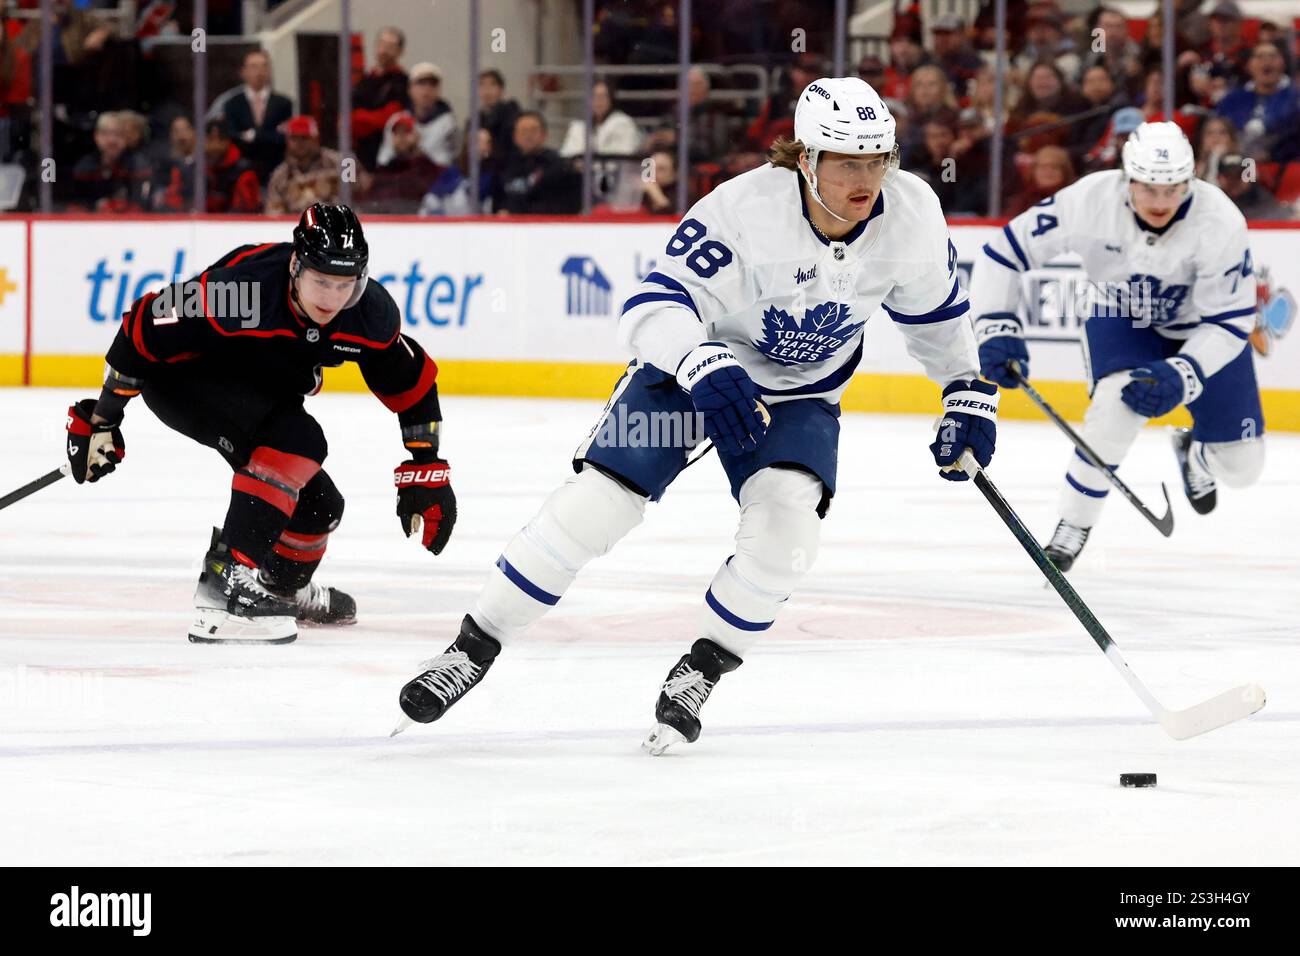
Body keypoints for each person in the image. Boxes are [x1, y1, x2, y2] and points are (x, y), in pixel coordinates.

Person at [394, 77, 998, 754]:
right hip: (697, 372)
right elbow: (654, 306)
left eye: (878, 159)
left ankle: (701, 671)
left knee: (785, 538)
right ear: (804, 158)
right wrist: (701, 362)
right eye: (847, 161)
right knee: (598, 505)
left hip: (801, 391)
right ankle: (473, 646)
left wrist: (965, 390)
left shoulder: (912, 213)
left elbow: (940, 322)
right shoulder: (741, 210)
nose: (867, 179)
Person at [62, 204, 457, 645]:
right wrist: (103, 418)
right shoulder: (239, 292)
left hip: (258, 391)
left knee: (318, 507)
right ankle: (225, 586)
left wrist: (427, 465)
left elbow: (410, 379)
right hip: (183, 380)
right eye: (320, 281)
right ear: (295, 266)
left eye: (344, 284)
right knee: (298, 442)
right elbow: (144, 324)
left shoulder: (368, 313)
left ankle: (277, 588)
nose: (331, 298)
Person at [971, 122, 1264, 571]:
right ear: (1128, 178)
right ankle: (1073, 524)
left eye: (1174, 190)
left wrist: (1185, 372)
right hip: (1122, 315)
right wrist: (995, 324)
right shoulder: (1087, 201)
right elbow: (1003, 254)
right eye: (1149, 189)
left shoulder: (1220, 220)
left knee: (1243, 468)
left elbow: (1230, 320)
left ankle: (1197, 455)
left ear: (1191, 181)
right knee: (1113, 412)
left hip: (1204, 330)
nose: (1162, 202)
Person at [1216, 43, 1300, 164]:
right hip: (1235, 165)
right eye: (1260, 56)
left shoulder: (1296, 99)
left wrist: (1272, 154)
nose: (1267, 61)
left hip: (1281, 166)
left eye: (1272, 56)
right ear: (1249, 65)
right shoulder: (1231, 100)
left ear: (1283, 63)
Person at [221, 50, 294, 184]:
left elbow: (284, 137)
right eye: (254, 66)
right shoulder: (232, 104)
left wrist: (254, 136)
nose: (259, 72)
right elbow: (232, 135)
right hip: (242, 172)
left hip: (275, 168)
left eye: (264, 66)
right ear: (243, 71)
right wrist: (268, 136)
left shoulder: (283, 103)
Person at [498, 111, 580, 214]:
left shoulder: (559, 166)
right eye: (523, 131)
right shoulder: (505, 165)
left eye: (533, 130)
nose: (528, 135)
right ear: (514, 137)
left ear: (544, 135)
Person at [377, 62, 457, 167]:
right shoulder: (396, 120)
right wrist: (400, 151)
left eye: (432, 84)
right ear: (410, 89)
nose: (426, 90)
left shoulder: (449, 124)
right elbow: (383, 160)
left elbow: (448, 163)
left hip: (436, 180)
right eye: (421, 83)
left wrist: (415, 150)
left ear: (438, 91)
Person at [351, 26, 410, 170]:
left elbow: (388, 120)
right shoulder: (364, 80)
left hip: (384, 159)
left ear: (400, 51)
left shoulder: (402, 82)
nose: (384, 51)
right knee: (349, 186)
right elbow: (346, 122)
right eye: (382, 44)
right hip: (353, 155)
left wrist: (359, 118)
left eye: (390, 46)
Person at [265, 115, 342, 215]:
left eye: (305, 138)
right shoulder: (280, 175)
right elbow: (273, 212)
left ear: (315, 139)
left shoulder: (338, 162)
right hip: (295, 226)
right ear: (287, 141)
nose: (299, 143)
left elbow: (358, 194)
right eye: (294, 138)